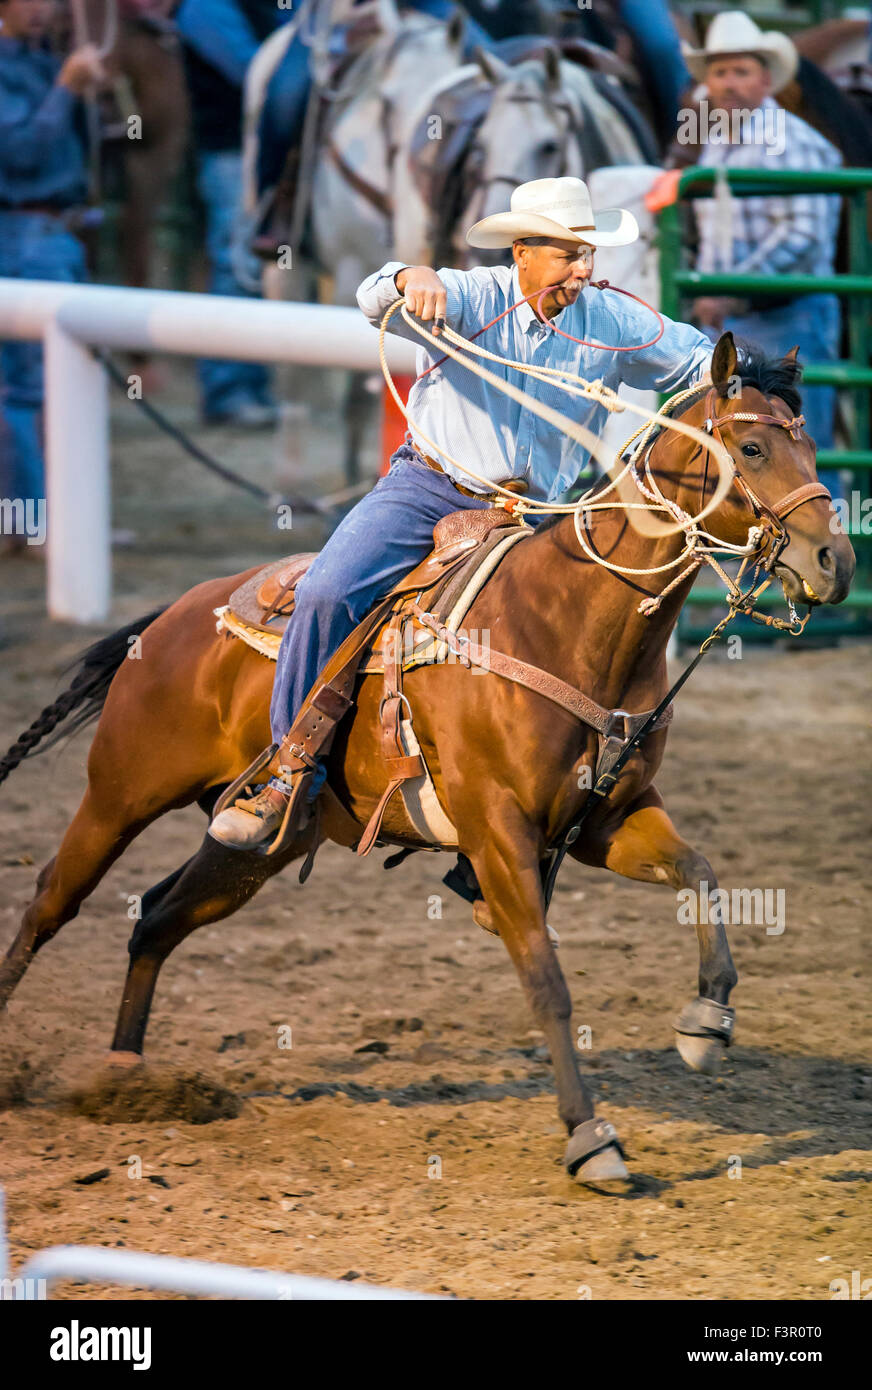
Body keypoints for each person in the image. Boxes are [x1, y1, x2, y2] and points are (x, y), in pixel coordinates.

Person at [210, 176, 715, 850]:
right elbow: (374, 294)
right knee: (329, 591)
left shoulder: (613, 321)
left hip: (536, 515)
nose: (584, 269)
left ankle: (535, 802)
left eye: (587, 252)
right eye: (568, 254)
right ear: (523, 252)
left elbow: (696, 361)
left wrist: (745, 381)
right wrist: (410, 277)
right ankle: (288, 767)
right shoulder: (473, 296)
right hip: (430, 491)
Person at [682, 11, 842, 485]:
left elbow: (802, 235)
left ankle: (822, 552)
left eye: (741, 71)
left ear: (765, 79)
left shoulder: (790, 140)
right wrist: (715, 296)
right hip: (738, 317)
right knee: (742, 440)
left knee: (798, 439)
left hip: (788, 313)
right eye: (720, 72)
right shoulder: (718, 140)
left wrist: (726, 291)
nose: (729, 82)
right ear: (708, 82)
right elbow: (714, 233)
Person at [0, 0, 104, 531]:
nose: (44, 9)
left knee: (64, 383)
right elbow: (21, 152)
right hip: (24, 233)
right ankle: (27, 523)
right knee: (26, 390)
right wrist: (66, 88)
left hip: (57, 232)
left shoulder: (37, 59)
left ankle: (55, 518)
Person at [176, 0, 285, 427]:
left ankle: (250, 387)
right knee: (233, 265)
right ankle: (227, 391)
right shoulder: (205, 7)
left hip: (252, 155)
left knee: (247, 269)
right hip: (231, 155)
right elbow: (253, 72)